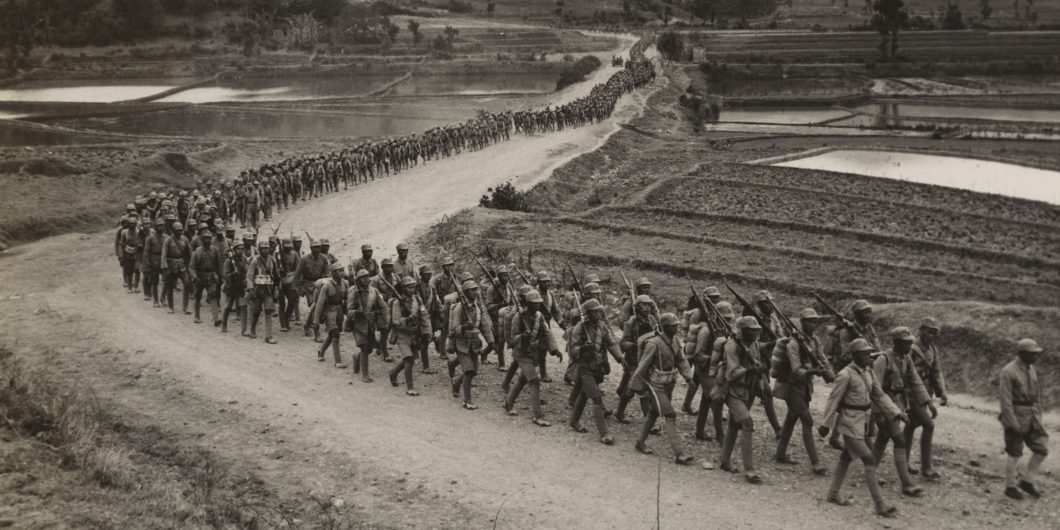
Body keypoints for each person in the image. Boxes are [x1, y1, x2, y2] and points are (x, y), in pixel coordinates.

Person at [821, 338, 906, 518]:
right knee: (869, 460)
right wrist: (826, 425)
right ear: (856, 356)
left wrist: (896, 413)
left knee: (845, 458)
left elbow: (879, 395)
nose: (869, 357)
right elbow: (833, 400)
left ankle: (833, 494)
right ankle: (880, 505)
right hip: (849, 423)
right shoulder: (845, 375)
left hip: (863, 422)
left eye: (869, 353)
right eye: (865, 354)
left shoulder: (868, 372)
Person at [773, 308, 835, 476]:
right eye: (809, 321)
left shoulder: (814, 341)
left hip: (804, 386)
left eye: (814, 321)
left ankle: (780, 453)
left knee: (792, 418)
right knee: (807, 420)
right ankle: (815, 463)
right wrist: (814, 371)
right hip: (792, 386)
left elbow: (822, 358)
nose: (812, 324)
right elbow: (796, 370)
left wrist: (831, 375)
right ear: (802, 322)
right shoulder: (793, 344)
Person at [872, 327, 932, 498]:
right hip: (884, 405)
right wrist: (877, 413)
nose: (910, 346)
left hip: (897, 403)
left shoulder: (906, 359)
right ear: (896, 343)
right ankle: (906, 484)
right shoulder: (883, 360)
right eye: (906, 343)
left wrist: (927, 401)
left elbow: (915, 380)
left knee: (882, 439)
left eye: (911, 342)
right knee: (899, 440)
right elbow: (874, 389)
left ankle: (871, 472)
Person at [630, 312, 694, 464]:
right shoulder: (654, 344)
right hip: (655, 385)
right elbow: (642, 366)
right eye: (673, 326)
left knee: (653, 413)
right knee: (670, 415)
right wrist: (636, 386)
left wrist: (688, 376)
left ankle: (640, 442)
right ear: (665, 327)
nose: (676, 328)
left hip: (669, 383)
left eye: (677, 325)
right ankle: (680, 453)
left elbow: (681, 360)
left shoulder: (675, 341)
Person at [568, 298, 625, 444]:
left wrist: (620, 358)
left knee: (584, 395)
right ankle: (604, 433)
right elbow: (572, 350)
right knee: (597, 399)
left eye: (599, 311)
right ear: (588, 314)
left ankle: (574, 421)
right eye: (595, 312)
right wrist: (582, 348)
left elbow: (611, 343)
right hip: (584, 368)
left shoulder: (602, 326)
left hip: (598, 368)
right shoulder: (580, 328)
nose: (599, 314)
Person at [999, 338, 1048, 500]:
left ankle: (1027, 481)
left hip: (1032, 416)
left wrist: (1039, 416)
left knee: (1041, 450)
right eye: (1032, 354)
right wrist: (1012, 424)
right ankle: (1010, 486)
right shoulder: (1008, 371)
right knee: (1015, 452)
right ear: (1022, 354)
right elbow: (1005, 401)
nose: (1036, 357)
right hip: (1016, 416)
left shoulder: (1031, 369)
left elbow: (1037, 395)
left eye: (1036, 354)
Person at [719, 316, 766, 484]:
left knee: (734, 423)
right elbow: (731, 373)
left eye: (757, 330)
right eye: (752, 330)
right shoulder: (731, 346)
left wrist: (760, 386)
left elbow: (758, 366)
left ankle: (724, 460)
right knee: (747, 424)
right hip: (732, 390)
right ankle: (750, 470)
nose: (755, 333)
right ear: (743, 331)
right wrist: (748, 370)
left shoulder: (753, 344)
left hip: (748, 389)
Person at [504, 291, 561, 427]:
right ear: (528, 304)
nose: (537, 306)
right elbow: (512, 339)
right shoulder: (518, 317)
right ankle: (538, 415)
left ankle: (509, 401)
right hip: (521, 353)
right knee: (534, 380)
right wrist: (523, 336)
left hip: (532, 352)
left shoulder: (539, 316)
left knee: (524, 378)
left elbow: (547, 333)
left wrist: (555, 349)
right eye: (534, 304)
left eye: (538, 303)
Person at [905, 317, 947, 479]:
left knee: (911, 425)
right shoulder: (911, 348)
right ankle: (926, 468)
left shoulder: (932, 350)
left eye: (934, 333)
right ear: (921, 330)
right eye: (929, 331)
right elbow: (908, 373)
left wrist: (941, 392)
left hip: (925, 392)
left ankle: (904, 462)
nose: (932, 335)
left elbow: (936, 372)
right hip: (912, 393)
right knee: (928, 425)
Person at [689, 301, 735, 442]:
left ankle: (699, 430)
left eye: (728, 319)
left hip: (716, 369)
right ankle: (720, 435)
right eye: (724, 318)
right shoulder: (706, 331)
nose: (726, 321)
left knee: (706, 399)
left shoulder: (725, 330)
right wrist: (713, 358)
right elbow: (698, 355)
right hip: (704, 369)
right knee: (716, 400)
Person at [448, 280, 494, 410]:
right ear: (466, 292)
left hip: (474, 343)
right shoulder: (459, 308)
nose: (476, 292)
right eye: (472, 290)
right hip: (461, 343)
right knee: (468, 370)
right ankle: (467, 400)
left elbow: (484, 326)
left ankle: (457, 382)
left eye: (476, 289)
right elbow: (453, 330)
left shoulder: (477, 307)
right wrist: (463, 327)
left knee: (474, 371)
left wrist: (491, 342)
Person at [615, 295, 658, 424]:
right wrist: (634, 346)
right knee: (642, 391)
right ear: (638, 307)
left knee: (631, 389)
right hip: (633, 360)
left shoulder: (652, 320)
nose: (647, 308)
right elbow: (623, 343)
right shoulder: (631, 322)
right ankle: (649, 422)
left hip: (646, 360)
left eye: (649, 305)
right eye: (644, 305)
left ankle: (619, 412)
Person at [387, 276, 432, 396]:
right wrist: (407, 320)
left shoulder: (418, 300)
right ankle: (410, 387)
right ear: (404, 289)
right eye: (409, 287)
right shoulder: (397, 302)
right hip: (402, 335)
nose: (412, 290)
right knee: (409, 360)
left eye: (413, 287)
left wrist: (427, 331)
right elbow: (395, 321)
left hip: (414, 335)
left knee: (409, 358)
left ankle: (394, 372)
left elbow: (424, 315)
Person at [347, 269, 386, 382]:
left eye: (368, 277)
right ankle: (365, 375)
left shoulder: (374, 291)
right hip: (358, 324)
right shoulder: (354, 292)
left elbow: (382, 306)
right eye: (363, 277)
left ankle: (357, 357)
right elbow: (349, 311)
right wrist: (357, 312)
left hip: (370, 323)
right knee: (364, 347)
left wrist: (385, 320)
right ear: (358, 280)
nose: (367, 279)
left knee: (369, 348)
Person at [312, 262, 349, 368]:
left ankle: (321, 350)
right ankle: (338, 361)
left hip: (339, 312)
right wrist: (316, 320)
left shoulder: (345, 283)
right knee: (335, 334)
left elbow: (346, 298)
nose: (342, 273)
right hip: (329, 312)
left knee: (332, 334)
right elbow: (319, 304)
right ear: (333, 273)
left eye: (343, 270)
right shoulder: (326, 287)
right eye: (339, 270)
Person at [246, 239, 280, 344]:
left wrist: (277, 288)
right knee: (256, 311)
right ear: (259, 250)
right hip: (257, 289)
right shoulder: (255, 261)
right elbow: (250, 276)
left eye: (266, 248)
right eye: (262, 249)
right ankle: (252, 328)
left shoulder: (272, 260)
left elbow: (277, 274)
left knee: (268, 311)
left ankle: (268, 336)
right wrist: (250, 288)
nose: (265, 251)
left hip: (268, 289)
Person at [189, 228, 223, 326]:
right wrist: (195, 277)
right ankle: (197, 316)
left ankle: (216, 318)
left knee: (213, 296)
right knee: (198, 297)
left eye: (209, 238)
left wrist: (219, 276)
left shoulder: (215, 250)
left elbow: (218, 264)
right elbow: (191, 267)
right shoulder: (197, 252)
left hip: (211, 276)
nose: (208, 240)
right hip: (199, 276)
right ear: (202, 240)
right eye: (205, 238)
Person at [301, 240, 330, 342]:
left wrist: (325, 284)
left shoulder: (324, 258)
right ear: (311, 249)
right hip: (307, 285)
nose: (316, 249)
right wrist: (299, 288)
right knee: (315, 307)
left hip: (319, 285)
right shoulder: (304, 259)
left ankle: (307, 325)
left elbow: (327, 273)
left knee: (316, 308)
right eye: (314, 248)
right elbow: (298, 274)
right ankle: (316, 333)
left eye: (318, 247)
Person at [160, 222, 192, 315]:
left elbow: (189, 253)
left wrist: (191, 264)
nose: (179, 232)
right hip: (171, 265)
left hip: (181, 266)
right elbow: (164, 255)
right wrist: (165, 267)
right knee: (170, 286)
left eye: (180, 230)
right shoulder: (168, 240)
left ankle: (185, 307)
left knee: (187, 283)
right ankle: (171, 307)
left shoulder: (185, 239)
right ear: (173, 231)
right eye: (177, 231)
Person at [415, 266, 441, 374]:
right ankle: (425, 366)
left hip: (431, 316)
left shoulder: (432, 288)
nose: (428, 276)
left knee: (426, 339)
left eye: (430, 274)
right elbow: (417, 302)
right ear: (421, 275)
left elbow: (437, 301)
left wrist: (441, 311)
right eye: (426, 274)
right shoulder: (416, 288)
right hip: (420, 317)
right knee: (424, 340)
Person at [221, 238, 250, 334]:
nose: (240, 251)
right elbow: (225, 275)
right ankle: (224, 324)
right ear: (234, 250)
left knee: (243, 306)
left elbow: (247, 271)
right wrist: (233, 273)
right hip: (231, 287)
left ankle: (244, 329)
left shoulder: (244, 259)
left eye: (242, 249)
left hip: (240, 286)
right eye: (238, 249)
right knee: (228, 306)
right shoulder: (229, 261)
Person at [278, 238, 302, 332]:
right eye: (285, 247)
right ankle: (283, 324)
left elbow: (298, 267)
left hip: (291, 279)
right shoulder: (278, 254)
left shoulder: (294, 254)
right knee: (282, 303)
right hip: (280, 280)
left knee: (292, 300)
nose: (287, 249)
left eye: (289, 247)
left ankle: (287, 319)